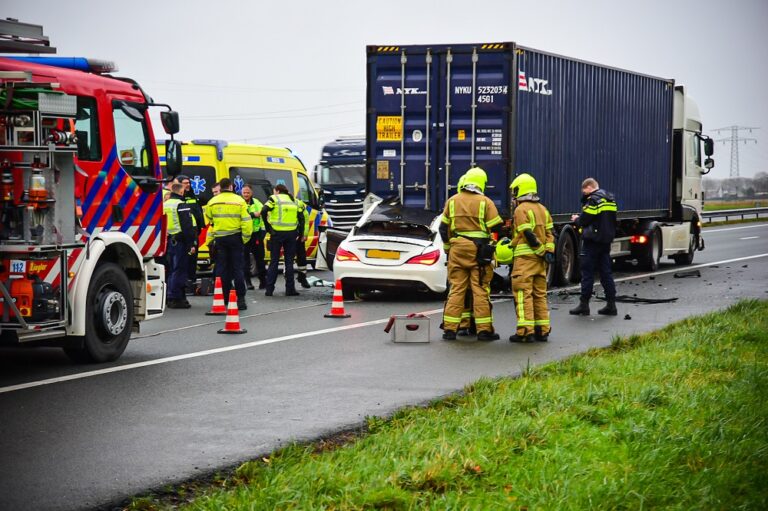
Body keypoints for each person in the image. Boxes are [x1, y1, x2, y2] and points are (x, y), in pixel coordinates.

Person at [439, 167, 503, 341]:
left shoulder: (452, 201)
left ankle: (450, 329)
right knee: (480, 289)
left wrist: (447, 247)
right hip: (478, 252)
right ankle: (484, 331)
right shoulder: (485, 202)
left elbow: (443, 228)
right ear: (481, 183)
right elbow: (497, 226)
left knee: (457, 288)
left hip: (457, 249)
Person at [507, 173, 555, 342]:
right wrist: (548, 252)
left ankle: (526, 331)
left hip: (526, 260)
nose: (513, 196)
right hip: (540, 263)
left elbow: (527, 233)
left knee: (523, 294)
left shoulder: (521, 209)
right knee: (539, 294)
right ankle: (542, 329)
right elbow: (550, 234)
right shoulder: (543, 209)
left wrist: (540, 250)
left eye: (515, 191)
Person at [569, 177, 618, 316]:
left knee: (587, 273)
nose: (584, 193)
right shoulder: (610, 199)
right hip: (606, 241)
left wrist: (576, 219)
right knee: (606, 273)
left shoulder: (594, 200)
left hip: (592, 241)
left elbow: (585, 219)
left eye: (584, 190)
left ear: (589, 187)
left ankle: (584, 305)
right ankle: (611, 305)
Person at [204, 178, 252, 310]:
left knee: (222, 268)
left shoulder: (212, 202)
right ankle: (240, 299)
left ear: (221, 187)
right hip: (236, 238)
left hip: (220, 238)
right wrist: (245, 238)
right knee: (237, 269)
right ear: (231, 187)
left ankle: (224, 297)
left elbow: (210, 220)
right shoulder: (239, 201)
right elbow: (247, 222)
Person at [262, 184, 304, 297]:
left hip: (276, 233)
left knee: (274, 261)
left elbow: (263, 210)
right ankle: (290, 290)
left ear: (277, 191)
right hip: (291, 233)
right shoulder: (295, 201)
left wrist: (268, 228)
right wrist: (301, 233)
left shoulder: (274, 199)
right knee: (289, 262)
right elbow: (302, 217)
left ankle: (269, 290)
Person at [164, 182, 197, 309]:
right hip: (180, 241)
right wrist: (191, 244)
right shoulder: (181, 205)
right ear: (181, 192)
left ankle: (170, 296)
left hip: (168, 241)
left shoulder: (165, 204)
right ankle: (176, 298)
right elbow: (187, 227)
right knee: (180, 270)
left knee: (171, 270)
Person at [177, 175, 205, 294]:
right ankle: (183, 283)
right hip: (181, 232)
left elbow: (198, 214)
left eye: (188, 183)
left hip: (193, 231)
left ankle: (191, 281)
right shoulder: (178, 198)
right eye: (184, 183)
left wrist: (199, 228)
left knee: (193, 258)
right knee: (183, 258)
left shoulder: (193, 197)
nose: (187, 185)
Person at [241, 184, 267, 290]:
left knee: (260, 259)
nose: (246, 194)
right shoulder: (240, 203)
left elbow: (262, 216)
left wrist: (262, 234)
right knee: (245, 260)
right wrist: (252, 214)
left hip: (256, 235)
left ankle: (263, 281)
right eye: (244, 192)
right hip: (244, 235)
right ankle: (248, 282)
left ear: (251, 193)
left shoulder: (257, 203)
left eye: (248, 192)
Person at [293, 198, 311, 289]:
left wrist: (304, 234)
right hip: (287, 235)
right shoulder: (276, 202)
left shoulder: (299, 203)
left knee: (302, 257)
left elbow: (306, 219)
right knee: (288, 259)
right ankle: (289, 282)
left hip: (299, 235)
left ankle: (302, 277)